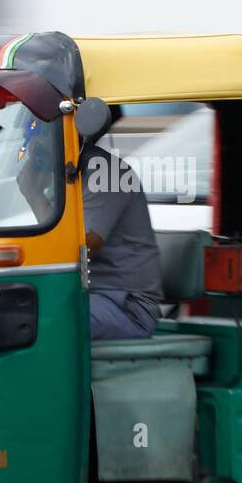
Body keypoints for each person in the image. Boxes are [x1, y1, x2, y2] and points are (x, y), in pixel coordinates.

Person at [80, 113, 164, 340]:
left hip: (126, 306)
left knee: (49, 321)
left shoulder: (105, 172)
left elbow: (85, 246)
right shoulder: (64, 171)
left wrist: (35, 194)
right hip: (88, 297)